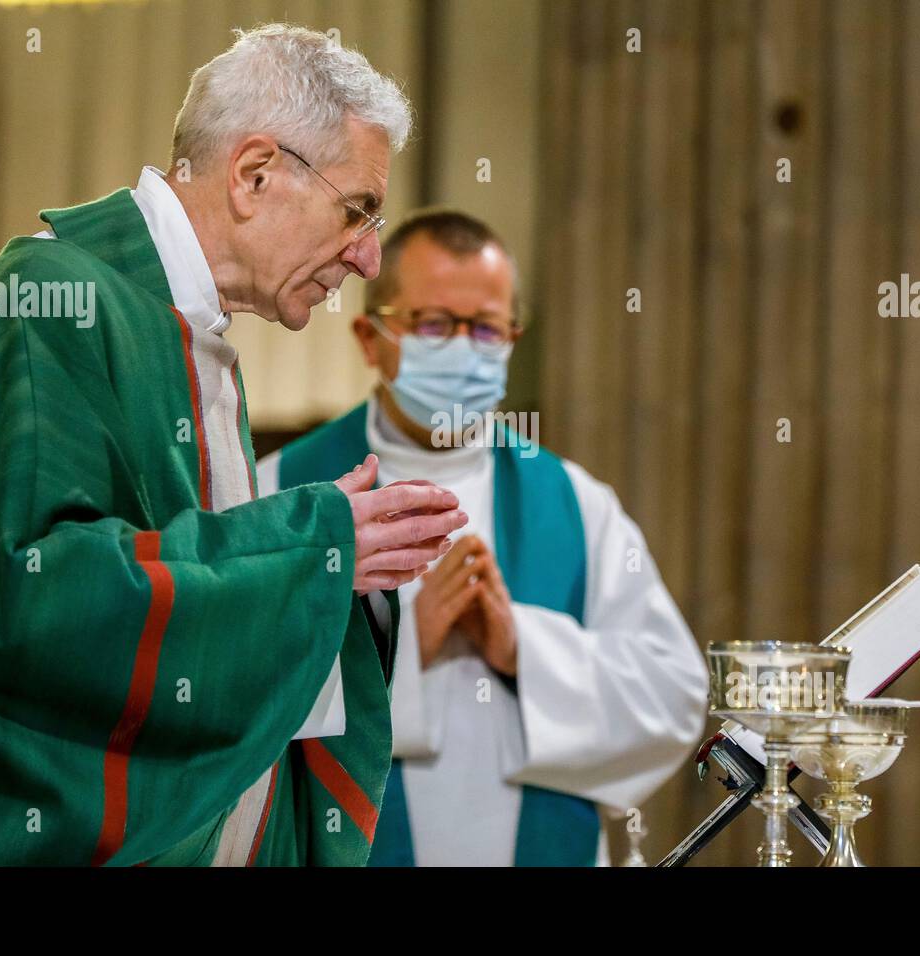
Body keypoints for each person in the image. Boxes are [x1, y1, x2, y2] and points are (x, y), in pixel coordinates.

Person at [0, 23, 468, 867]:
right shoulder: (44, 301)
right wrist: (307, 553)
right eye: (357, 210)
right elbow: (19, 608)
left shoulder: (190, 340)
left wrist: (338, 577)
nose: (367, 256)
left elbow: (184, 597)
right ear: (254, 175)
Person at [258, 210, 710, 866]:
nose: (464, 348)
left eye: (487, 329)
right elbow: (230, 694)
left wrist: (522, 646)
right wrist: (407, 645)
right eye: (436, 325)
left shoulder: (580, 506)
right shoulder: (280, 493)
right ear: (369, 337)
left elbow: (673, 700)